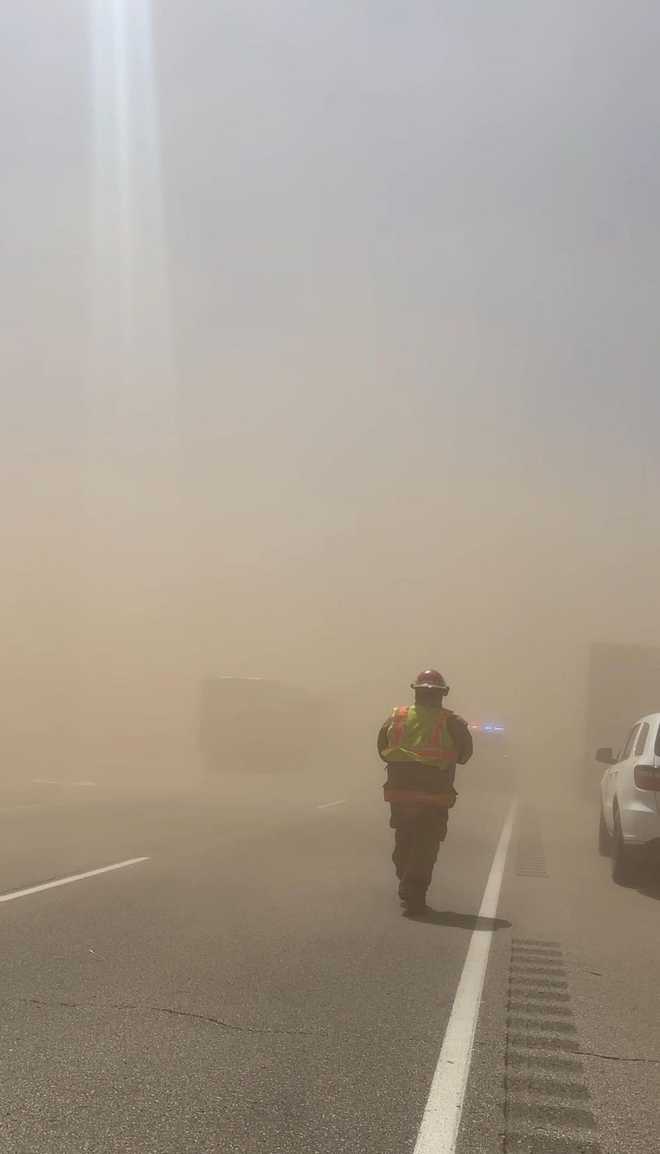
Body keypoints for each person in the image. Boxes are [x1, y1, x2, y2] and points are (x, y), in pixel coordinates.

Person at [377, 670, 473, 916]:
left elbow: (381, 748)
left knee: (404, 838)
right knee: (426, 844)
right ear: (443, 694)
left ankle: (405, 878)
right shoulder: (452, 722)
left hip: (400, 792)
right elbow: (464, 755)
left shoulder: (397, 717)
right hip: (434, 795)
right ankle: (414, 890)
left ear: (416, 691)